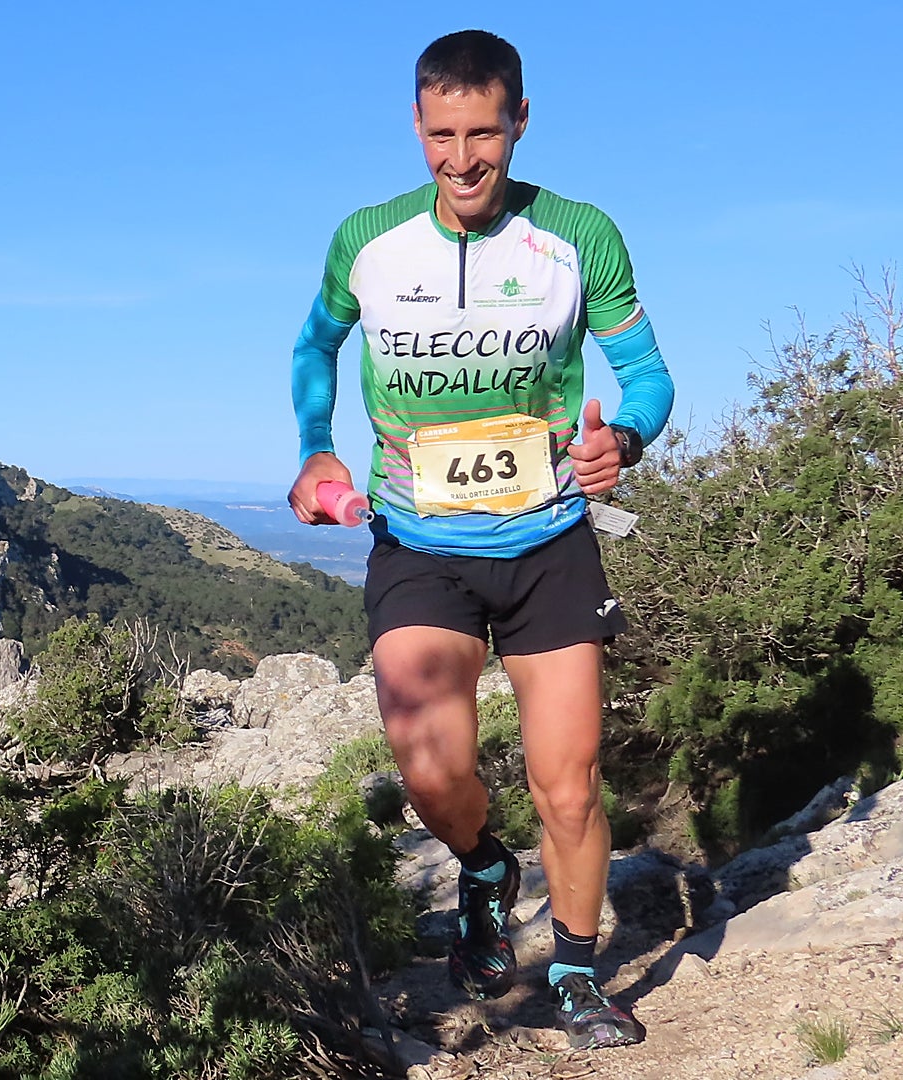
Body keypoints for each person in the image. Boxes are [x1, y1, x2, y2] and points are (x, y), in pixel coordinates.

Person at [286, 29, 673, 1050]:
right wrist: (315, 447)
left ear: (520, 122)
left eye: (484, 134)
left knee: (568, 780)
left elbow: (649, 379)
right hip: (419, 544)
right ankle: (489, 867)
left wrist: (622, 440)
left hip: (549, 544)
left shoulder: (579, 236)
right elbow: (317, 344)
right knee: (429, 766)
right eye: (442, 134)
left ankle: (579, 974)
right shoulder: (367, 240)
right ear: (417, 126)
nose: (463, 159)